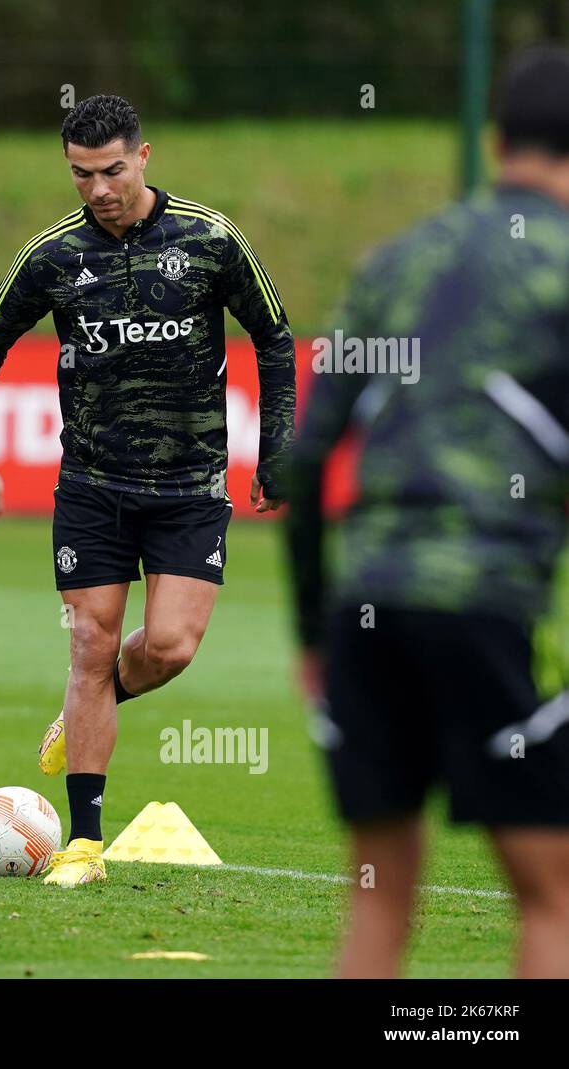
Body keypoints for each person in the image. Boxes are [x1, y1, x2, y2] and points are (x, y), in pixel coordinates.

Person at [0, 94, 294, 886]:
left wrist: (278, 447)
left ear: (145, 156)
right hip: (92, 484)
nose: (97, 188)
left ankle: (84, 714)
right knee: (91, 644)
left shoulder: (209, 239)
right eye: (81, 174)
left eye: (111, 170)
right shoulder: (53, 257)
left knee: (169, 647)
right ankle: (86, 844)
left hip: (191, 485)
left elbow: (273, 334)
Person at [285, 46, 569, 978]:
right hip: (490, 603)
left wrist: (312, 632)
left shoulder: (397, 260)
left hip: (365, 607)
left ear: (495, 142)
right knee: (552, 898)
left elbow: (308, 457)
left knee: (375, 899)